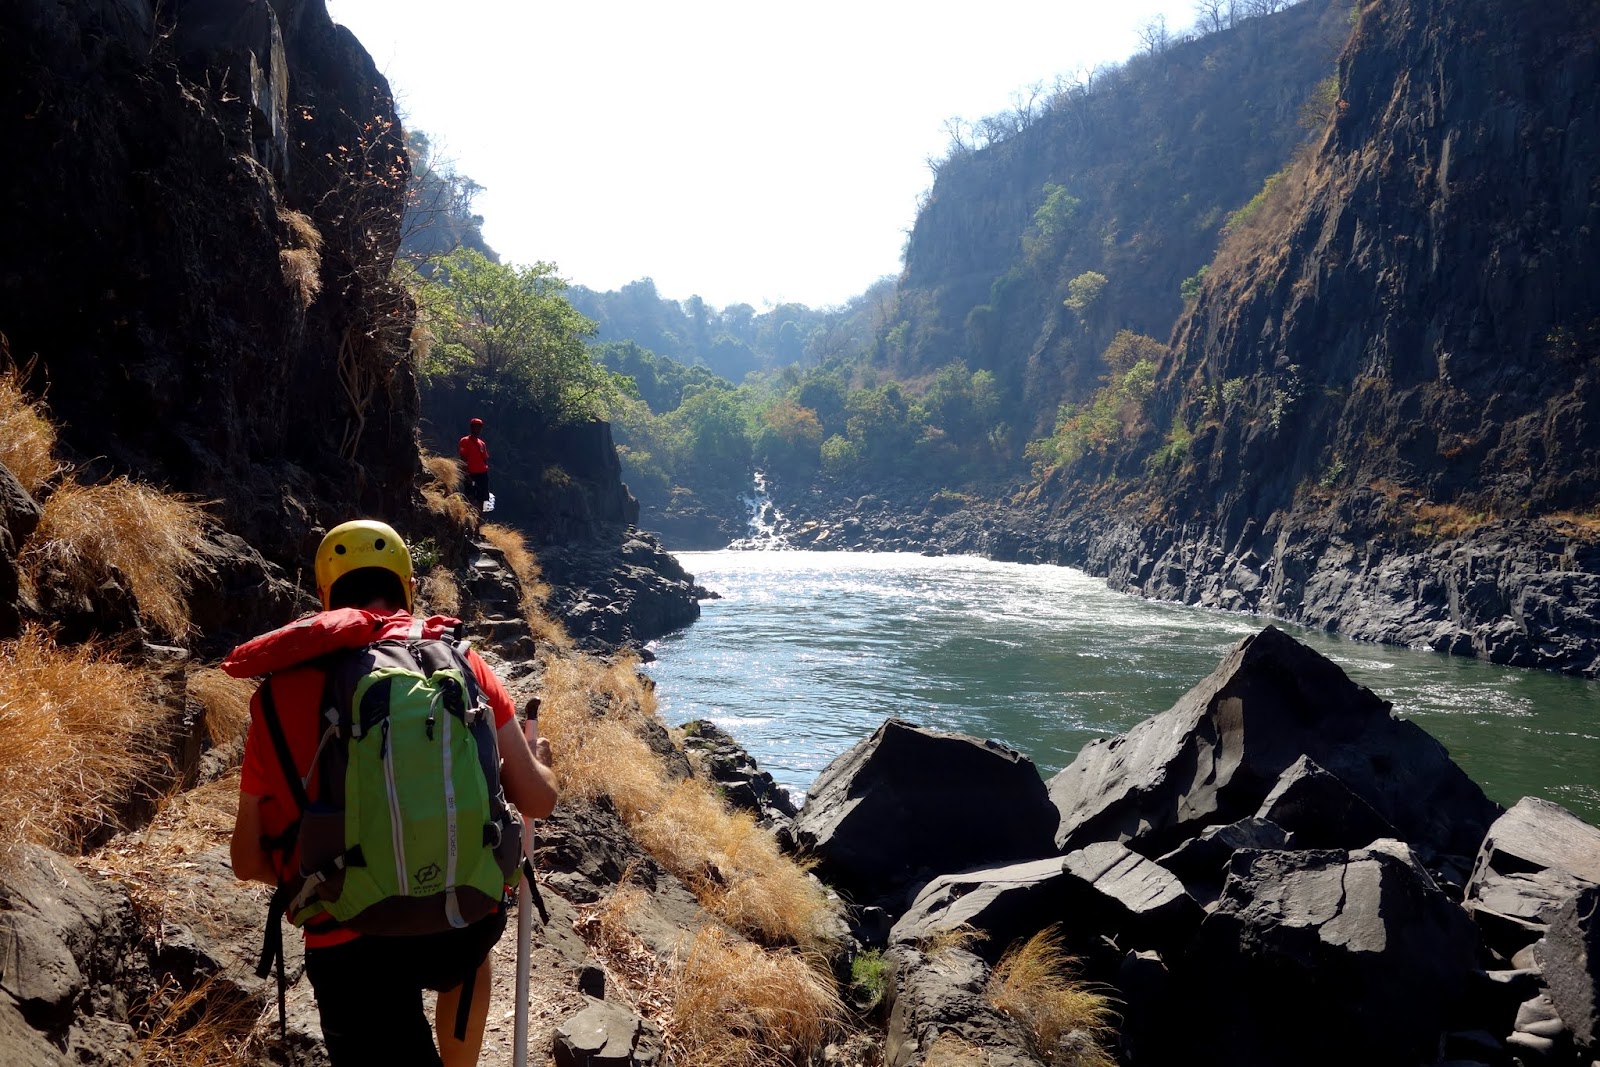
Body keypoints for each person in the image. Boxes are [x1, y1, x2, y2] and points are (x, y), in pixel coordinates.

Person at [228, 519, 557, 1067]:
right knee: (472, 944)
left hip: (346, 941)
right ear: (408, 586)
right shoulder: (460, 663)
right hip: (459, 924)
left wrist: (334, 869)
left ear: (324, 595)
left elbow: (247, 861)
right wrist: (539, 763)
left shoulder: (279, 693)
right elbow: (538, 802)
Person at [458, 417, 491, 522]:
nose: (478, 429)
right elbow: (463, 458)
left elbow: (485, 459)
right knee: (470, 497)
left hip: (482, 475)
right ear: (471, 427)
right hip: (471, 474)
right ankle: (468, 521)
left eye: (479, 427)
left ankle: (477, 524)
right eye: (476, 427)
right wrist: (466, 474)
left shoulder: (482, 443)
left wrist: (485, 472)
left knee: (482, 499)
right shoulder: (465, 441)